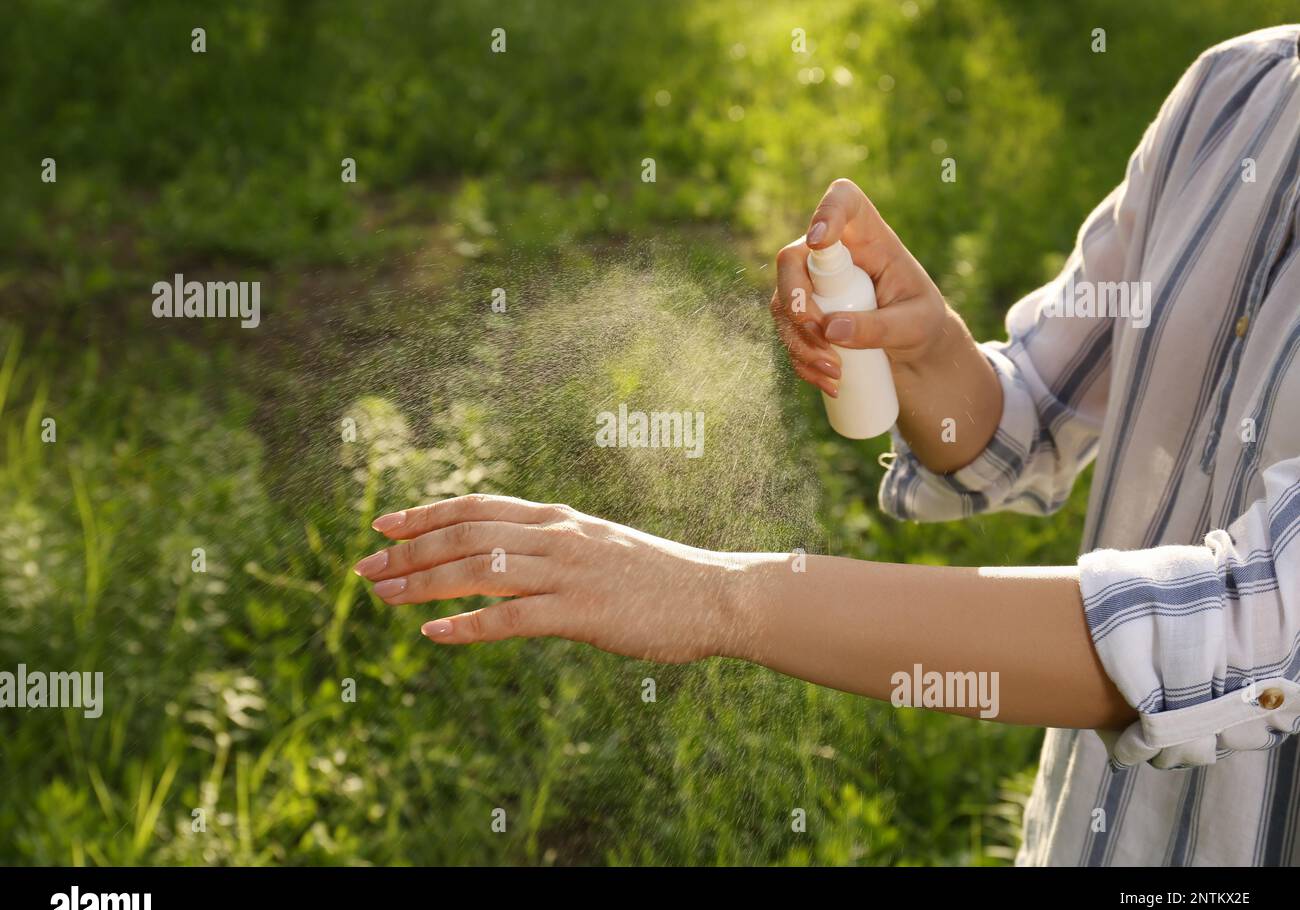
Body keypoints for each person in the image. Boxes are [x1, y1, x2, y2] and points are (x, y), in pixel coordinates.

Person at [354, 26, 1300, 865]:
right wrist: (926, 352)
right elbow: (1032, 419)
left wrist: (716, 598)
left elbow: (1238, 631)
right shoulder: (1233, 96)